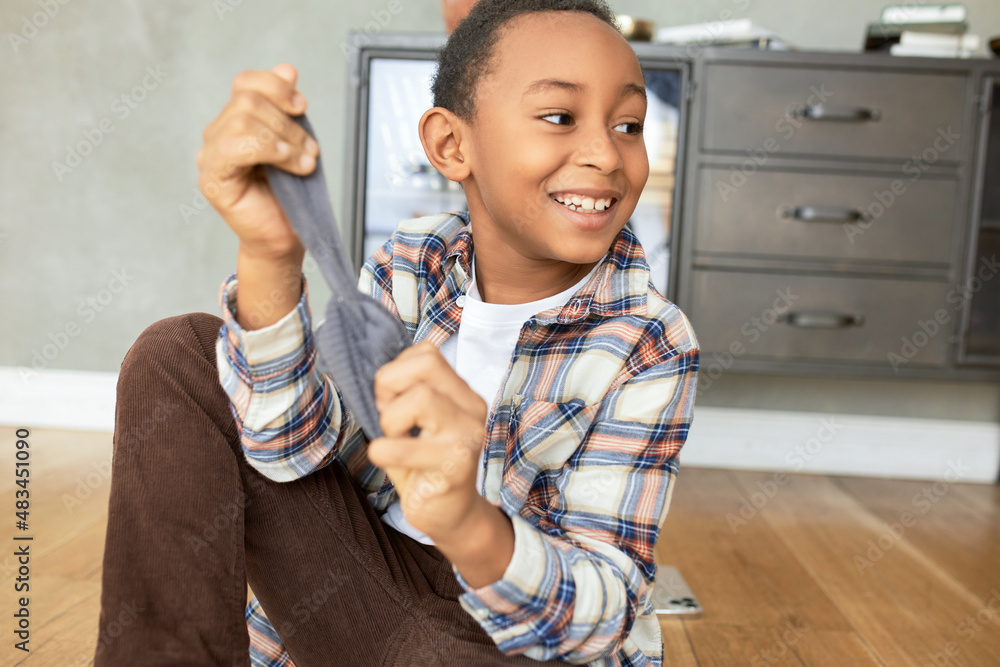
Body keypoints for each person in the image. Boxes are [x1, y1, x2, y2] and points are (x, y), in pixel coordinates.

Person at [92, 0, 700, 665]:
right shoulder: (412, 264)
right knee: (179, 352)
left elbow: (600, 615)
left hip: (507, 644)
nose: (605, 154)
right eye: (560, 117)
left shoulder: (650, 341)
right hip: (366, 605)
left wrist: (467, 519)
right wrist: (270, 256)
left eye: (629, 125)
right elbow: (291, 448)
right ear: (451, 145)